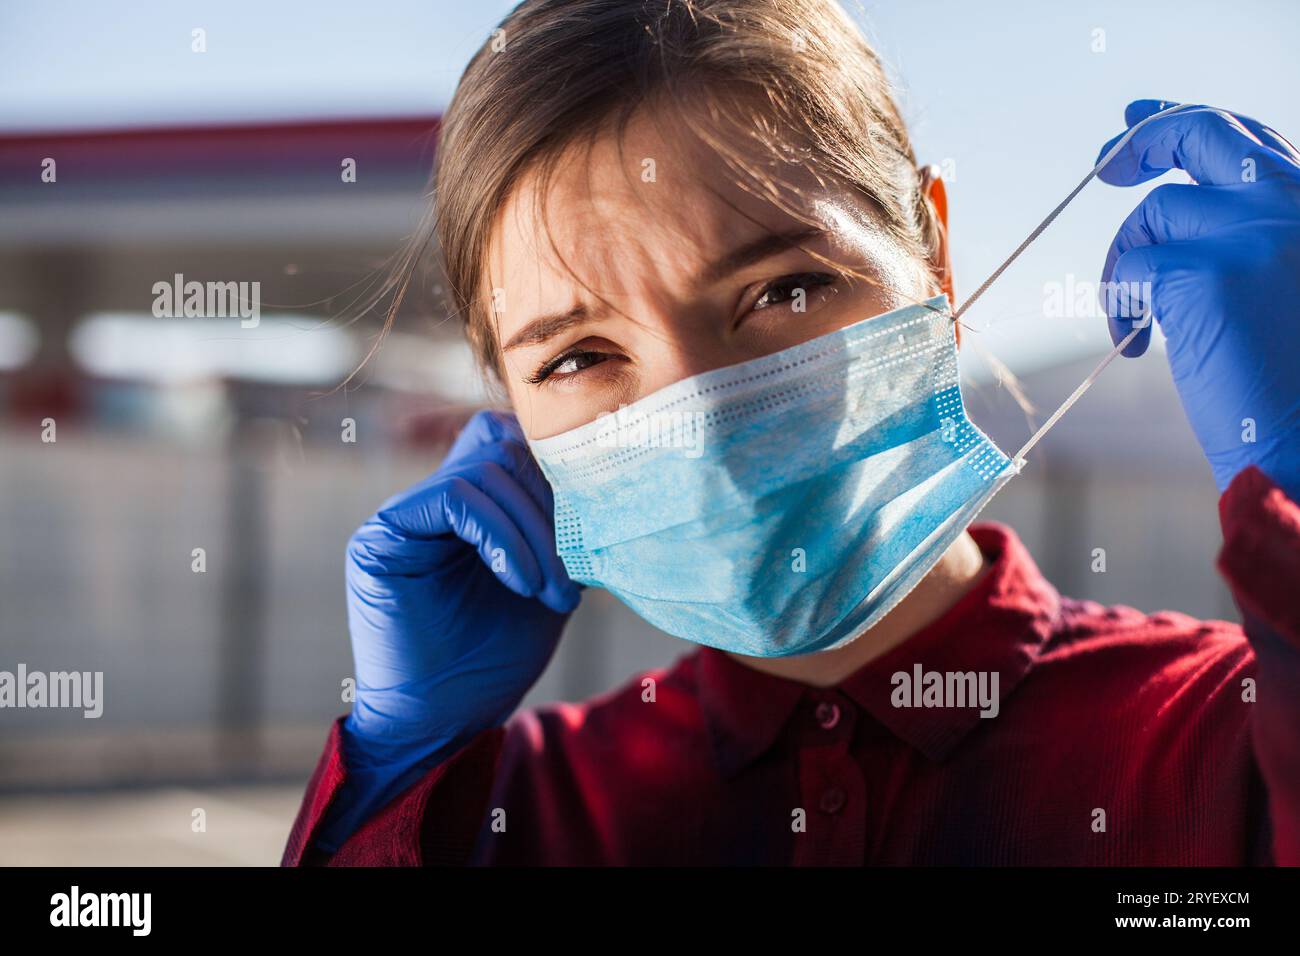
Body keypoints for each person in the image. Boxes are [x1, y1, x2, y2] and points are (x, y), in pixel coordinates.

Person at [283, 0, 1300, 865]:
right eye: (578, 357)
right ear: (505, 407)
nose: (707, 420)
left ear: (932, 260)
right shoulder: (526, 815)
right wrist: (394, 775)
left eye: (785, 288)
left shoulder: (1220, 736)